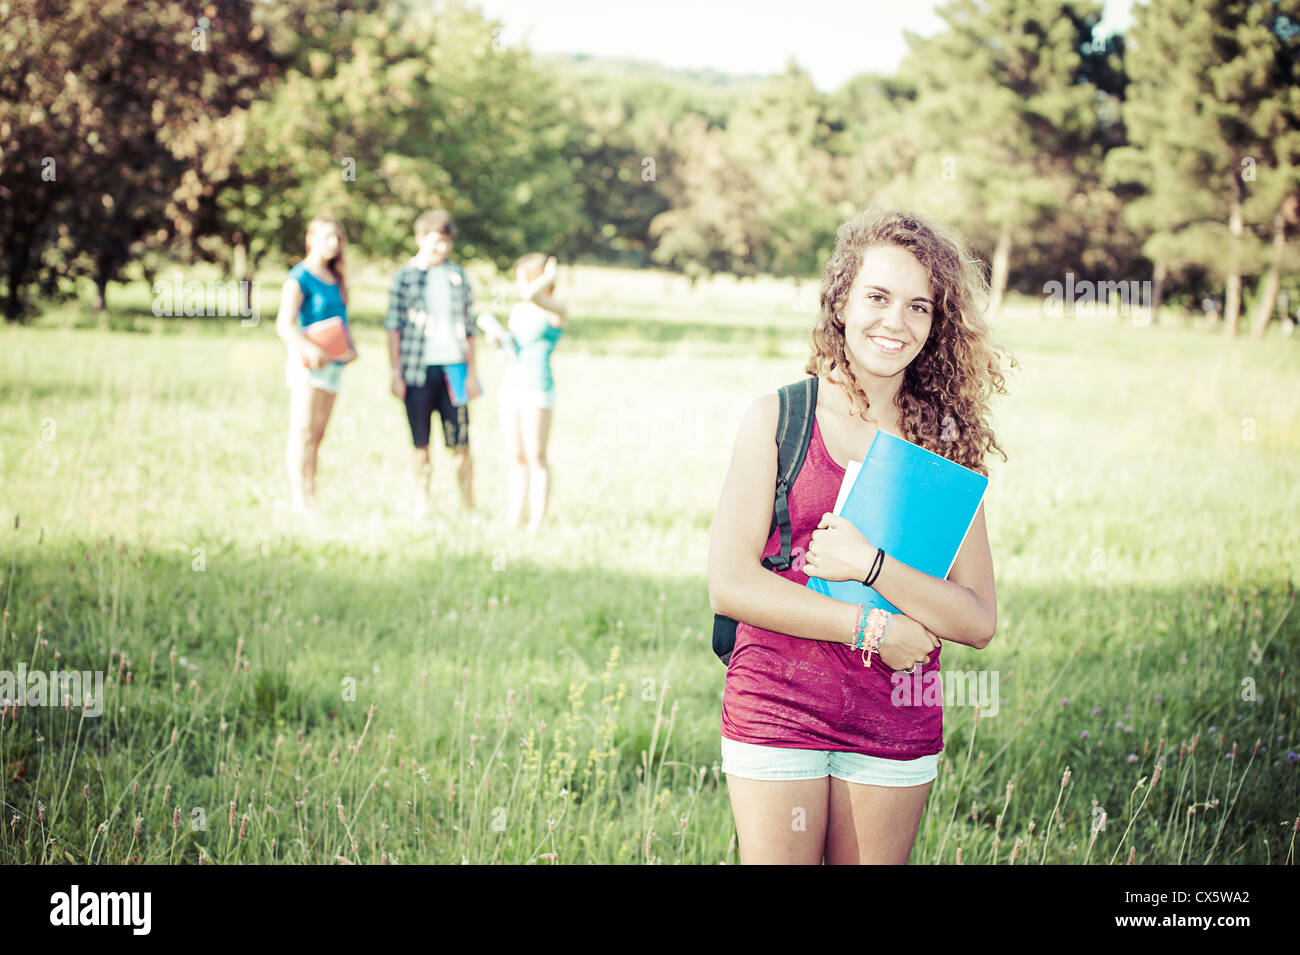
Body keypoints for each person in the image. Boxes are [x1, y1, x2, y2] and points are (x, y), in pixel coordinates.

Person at [707, 207, 1014, 865]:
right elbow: (730, 582)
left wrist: (873, 566)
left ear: (935, 326)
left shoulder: (947, 450)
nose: (894, 321)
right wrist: (868, 626)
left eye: (918, 307)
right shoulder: (779, 416)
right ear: (841, 301)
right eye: (877, 296)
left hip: (895, 714)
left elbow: (978, 619)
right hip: (778, 698)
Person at [384, 209, 481, 521]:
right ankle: (422, 502)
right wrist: (395, 371)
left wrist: (472, 374)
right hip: (417, 370)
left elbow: (470, 328)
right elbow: (393, 326)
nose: (442, 248)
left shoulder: (458, 276)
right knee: (420, 443)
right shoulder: (404, 276)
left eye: (446, 242)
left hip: (453, 370)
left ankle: (468, 505)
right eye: (436, 241)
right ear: (420, 239)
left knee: (460, 441)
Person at [274, 214, 352, 514]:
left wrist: (351, 348)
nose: (332, 244)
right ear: (311, 239)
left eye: (337, 238)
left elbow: (342, 320)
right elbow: (284, 325)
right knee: (303, 431)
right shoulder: (299, 277)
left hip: (334, 364)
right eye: (326, 237)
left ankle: (312, 493)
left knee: (318, 434)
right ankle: (298, 498)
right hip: (308, 364)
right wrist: (310, 349)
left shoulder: (337, 278)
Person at [489, 253, 566, 533]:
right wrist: (498, 340)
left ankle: (537, 521)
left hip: (538, 389)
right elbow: (512, 348)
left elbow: (531, 294)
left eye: (523, 275)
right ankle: (515, 516)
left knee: (537, 455)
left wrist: (548, 275)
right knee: (516, 455)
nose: (518, 282)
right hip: (511, 385)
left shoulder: (554, 310)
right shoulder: (520, 310)